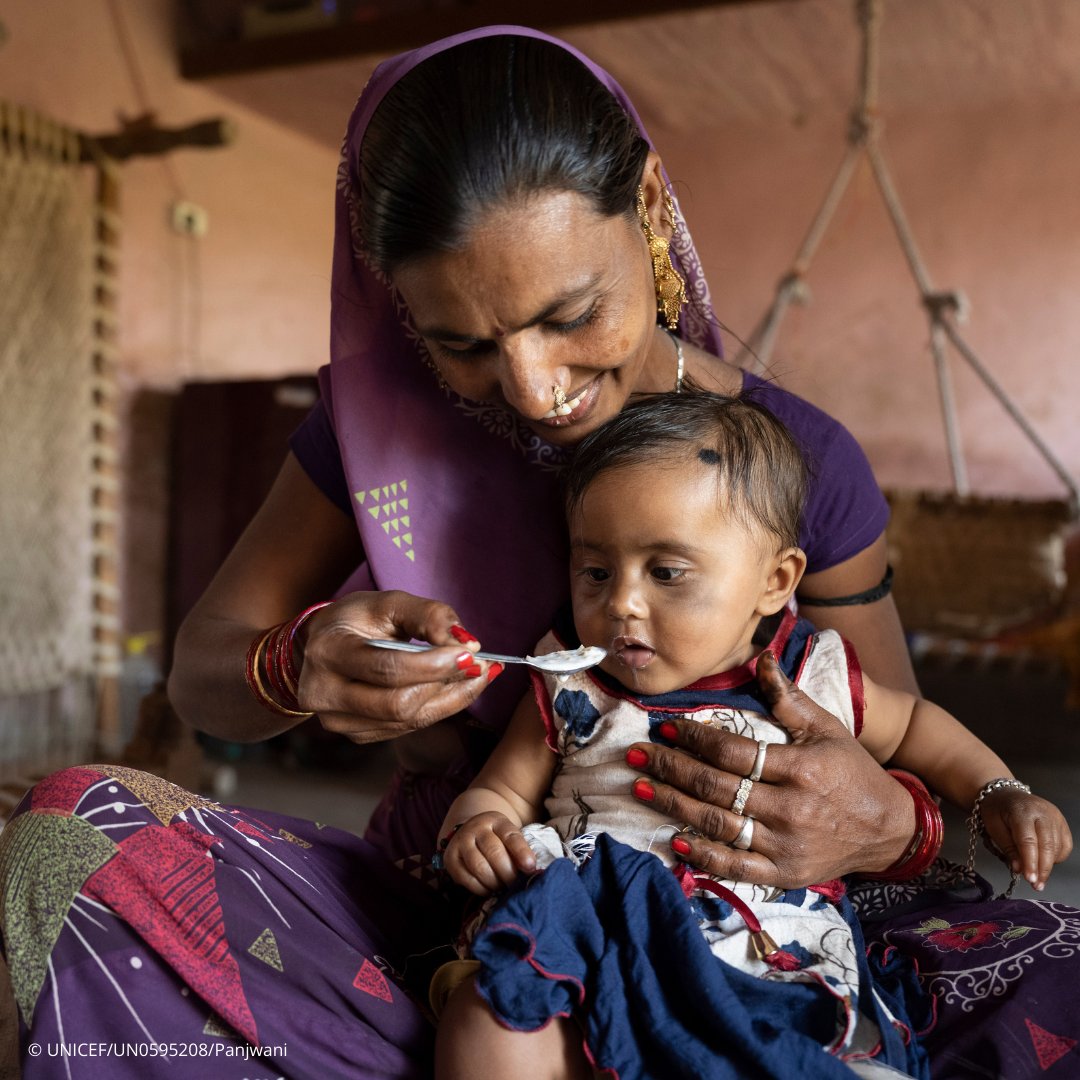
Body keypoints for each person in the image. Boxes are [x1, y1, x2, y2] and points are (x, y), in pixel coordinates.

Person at [1, 25, 1077, 1080]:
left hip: (761, 924)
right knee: (75, 839)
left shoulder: (801, 465)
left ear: (648, 208)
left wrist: (901, 825)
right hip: (467, 925)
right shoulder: (375, 438)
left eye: (573, 313)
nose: (530, 389)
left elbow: (901, 749)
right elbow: (203, 676)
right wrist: (299, 663)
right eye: (461, 344)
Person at [433, 389, 1071, 1079]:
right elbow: (500, 788)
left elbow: (917, 725)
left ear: (775, 581)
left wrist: (999, 790)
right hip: (594, 922)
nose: (621, 601)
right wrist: (478, 828)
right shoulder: (568, 679)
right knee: (494, 1012)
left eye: (667, 572)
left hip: (763, 947)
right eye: (596, 571)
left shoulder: (809, 677)